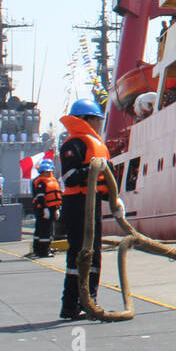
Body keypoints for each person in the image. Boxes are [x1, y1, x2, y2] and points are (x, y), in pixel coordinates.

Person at [58, 100, 111, 319]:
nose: (100, 124)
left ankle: (90, 300)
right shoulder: (74, 145)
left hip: (93, 204)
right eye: (97, 120)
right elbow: (70, 178)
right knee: (80, 254)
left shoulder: (94, 144)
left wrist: (114, 200)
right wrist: (92, 168)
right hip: (78, 205)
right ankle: (71, 305)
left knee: (94, 254)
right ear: (86, 120)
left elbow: (106, 179)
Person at [31, 160, 62, 257]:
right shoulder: (41, 182)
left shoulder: (52, 181)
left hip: (51, 207)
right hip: (44, 208)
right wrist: (45, 209)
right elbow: (40, 197)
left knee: (48, 229)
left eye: (49, 171)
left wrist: (57, 208)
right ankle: (43, 251)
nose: (49, 173)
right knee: (45, 230)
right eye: (46, 172)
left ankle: (42, 248)